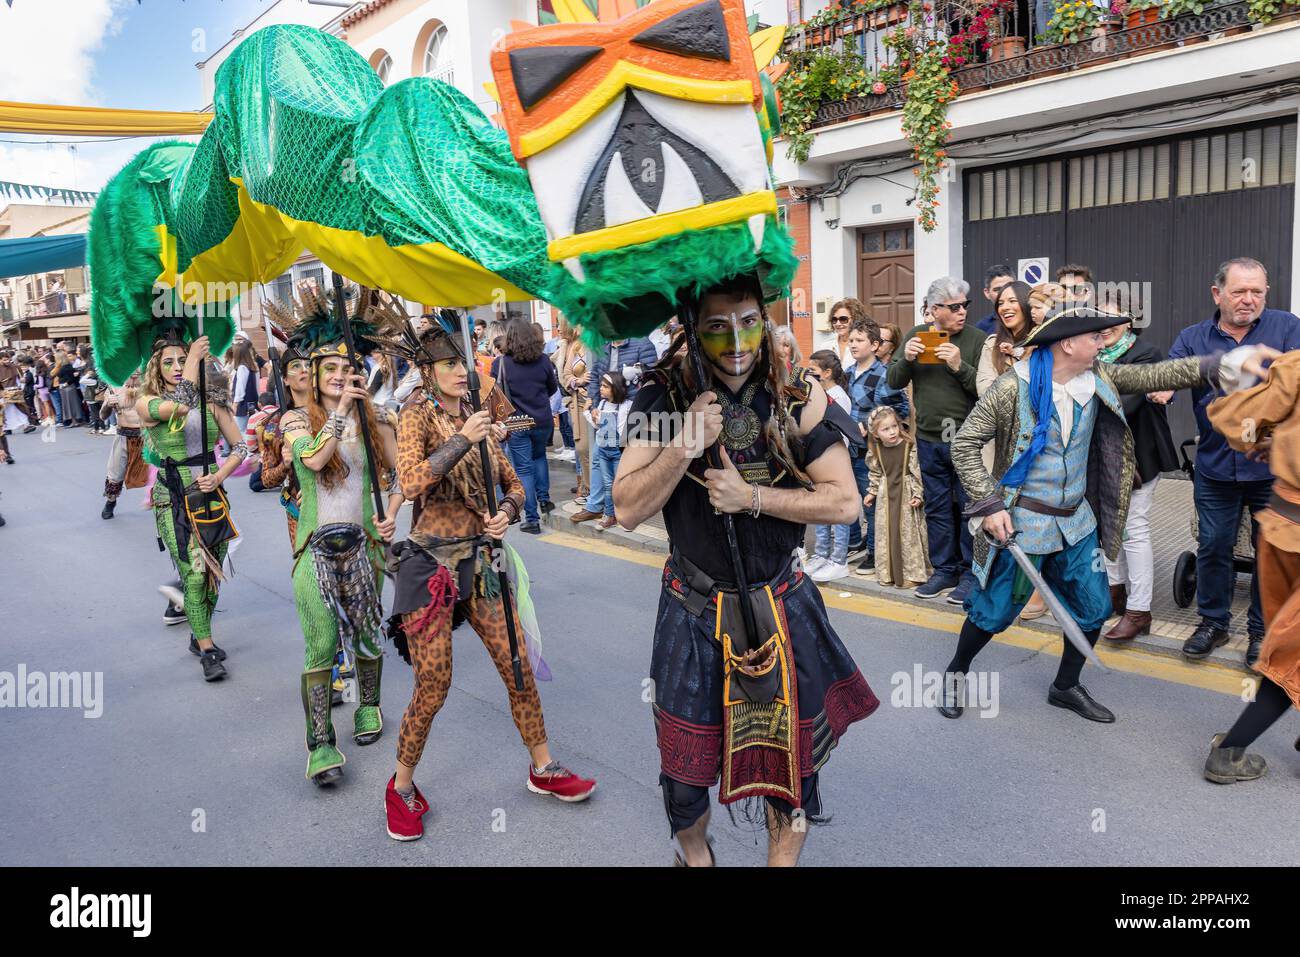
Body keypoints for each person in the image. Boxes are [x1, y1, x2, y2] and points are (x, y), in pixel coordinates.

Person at [613, 273, 878, 867]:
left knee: (795, 773)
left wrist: (753, 499)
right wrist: (683, 443)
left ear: (765, 319)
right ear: (692, 329)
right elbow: (626, 507)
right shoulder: (665, 397)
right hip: (692, 610)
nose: (736, 340)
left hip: (781, 605)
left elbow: (844, 501)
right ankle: (696, 857)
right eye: (716, 327)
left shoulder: (796, 395)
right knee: (684, 778)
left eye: (749, 322)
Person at [940, 305, 1269, 722]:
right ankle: (956, 673)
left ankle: (1065, 686)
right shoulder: (1012, 388)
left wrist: (1223, 362)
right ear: (1068, 343)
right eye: (1096, 338)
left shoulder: (1098, 377)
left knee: (1093, 609)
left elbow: (1157, 376)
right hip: (1023, 523)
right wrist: (988, 505)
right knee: (994, 612)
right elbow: (964, 444)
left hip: (1077, 522)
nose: (1103, 343)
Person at [384, 320, 594, 841]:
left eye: (465, 362)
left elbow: (515, 483)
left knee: (518, 663)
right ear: (428, 372)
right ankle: (400, 786)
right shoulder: (416, 413)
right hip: (429, 565)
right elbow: (410, 481)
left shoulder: (479, 418)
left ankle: (542, 769)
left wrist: (505, 510)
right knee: (433, 686)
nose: (462, 371)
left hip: (484, 562)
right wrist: (461, 438)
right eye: (450, 364)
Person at [278, 313, 403, 786]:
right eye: (327, 367)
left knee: (369, 633)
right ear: (311, 374)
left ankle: (368, 707)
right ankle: (320, 743)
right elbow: (313, 460)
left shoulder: (376, 421)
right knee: (324, 643)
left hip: (364, 544)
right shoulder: (294, 419)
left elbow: (401, 477)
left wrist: (391, 512)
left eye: (345, 366)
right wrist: (338, 415)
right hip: (314, 548)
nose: (336, 375)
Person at [1167, 258, 1300, 665]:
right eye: (1239, 291)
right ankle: (1213, 623)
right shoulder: (1193, 337)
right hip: (1215, 464)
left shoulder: (1288, 327)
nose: (1248, 300)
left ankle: (1263, 631)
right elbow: (1170, 379)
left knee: (1271, 551)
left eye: (1256, 292)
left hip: (1272, 469)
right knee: (1213, 546)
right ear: (1217, 293)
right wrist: (1162, 392)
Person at [1199, 345, 1299, 783]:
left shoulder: (1296, 364)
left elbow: (1229, 418)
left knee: (1290, 638)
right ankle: (1231, 750)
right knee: (1293, 649)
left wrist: (1271, 439)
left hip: (1283, 523)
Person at [136, 330, 250, 682]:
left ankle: (198, 633)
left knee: (214, 576)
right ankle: (207, 649)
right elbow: (180, 406)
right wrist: (194, 361)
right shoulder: (149, 403)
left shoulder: (212, 400)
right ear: (156, 368)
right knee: (195, 574)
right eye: (168, 362)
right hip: (172, 499)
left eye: (180, 360)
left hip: (212, 497)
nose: (175, 366)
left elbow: (241, 448)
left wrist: (220, 476)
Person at [887, 276, 987, 603]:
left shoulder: (978, 340)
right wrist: (908, 359)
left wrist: (959, 366)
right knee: (938, 508)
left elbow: (988, 391)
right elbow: (893, 380)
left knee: (971, 510)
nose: (962, 312)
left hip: (967, 441)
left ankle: (971, 573)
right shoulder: (918, 335)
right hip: (929, 440)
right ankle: (944, 570)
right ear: (933, 310)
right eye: (954, 307)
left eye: (965, 305)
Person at [1097, 294, 1179, 642]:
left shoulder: (1146, 354)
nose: (1106, 326)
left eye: (1114, 318)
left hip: (1140, 456)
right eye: (1099, 319)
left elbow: (1123, 404)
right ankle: (1115, 592)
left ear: (1129, 322)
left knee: (1135, 528)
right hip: (1102, 455)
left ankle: (1139, 609)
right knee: (1109, 524)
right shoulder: (1092, 354)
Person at [492, 320, 558, 533]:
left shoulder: (500, 363)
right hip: (543, 419)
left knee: (523, 469)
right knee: (540, 458)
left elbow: (494, 394)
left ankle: (532, 518)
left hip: (517, 421)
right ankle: (544, 500)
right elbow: (552, 388)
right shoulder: (544, 361)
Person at [864, 405, 930, 587]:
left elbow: (916, 472)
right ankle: (889, 573)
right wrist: (872, 492)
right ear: (876, 433)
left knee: (907, 533)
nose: (892, 432)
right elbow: (876, 473)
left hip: (906, 493)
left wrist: (918, 494)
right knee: (888, 532)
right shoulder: (876, 451)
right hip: (886, 497)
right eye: (886, 429)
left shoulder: (909, 446)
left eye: (894, 426)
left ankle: (912, 574)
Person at [805, 350, 854, 581]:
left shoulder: (838, 396)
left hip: (833, 463)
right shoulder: (820, 393)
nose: (809, 375)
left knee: (836, 514)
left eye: (813, 371)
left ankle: (838, 559)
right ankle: (821, 555)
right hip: (818, 461)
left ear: (827, 372)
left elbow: (840, 430)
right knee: (822, 512)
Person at [98, 374, 149, 520]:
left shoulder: (150, 385)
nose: (134, 372)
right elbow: (102, 416)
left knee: (158, 473)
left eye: (137, 367)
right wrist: (108, 404)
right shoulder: (114, 388)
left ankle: (164, 503)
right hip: (123, 436)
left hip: (147, 436)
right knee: (115, 473)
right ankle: (111, 501)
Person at [588, 370, 631, 530]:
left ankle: (627, 516)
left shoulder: (627, 406)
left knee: (621, 484)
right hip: (603, 450)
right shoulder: (602, 404)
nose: (601, 389)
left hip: (618, 450)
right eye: (601, 385)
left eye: (605, 386)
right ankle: (610, 515)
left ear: (615, 388)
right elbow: (598, 426)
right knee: (608, 484)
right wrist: (590, 414)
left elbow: (622, 429)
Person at [828, 297, 869, 371]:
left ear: (856, 319)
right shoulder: (825, 346)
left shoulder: (865, 346)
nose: (838, 323)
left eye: (843, 319)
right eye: (834, 319)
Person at [976, 264, 1014, 335]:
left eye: (1008, 287)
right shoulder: (982, 327)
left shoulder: (1032, 319)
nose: (1003, 292)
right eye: (997, 289)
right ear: (987, 293)